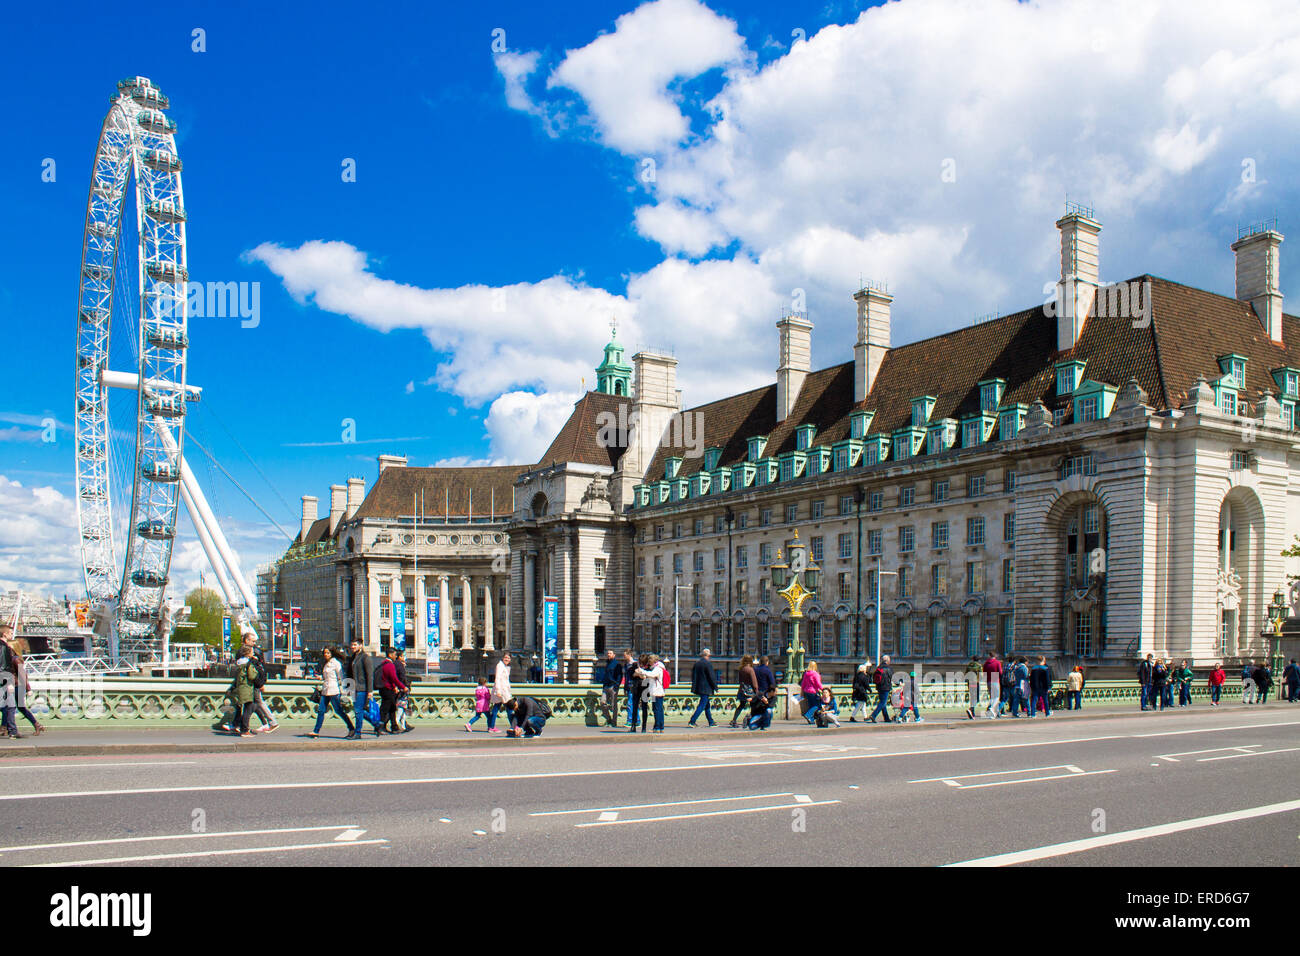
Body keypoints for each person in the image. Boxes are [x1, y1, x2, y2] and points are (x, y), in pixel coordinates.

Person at [308, 646, 355, 738]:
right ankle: (316, 731)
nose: (326, 655)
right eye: (325, 653)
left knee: (339, 711)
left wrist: (345, 690)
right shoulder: (326, 663)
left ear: (332, 653)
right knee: (321, 710)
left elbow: (341, 677)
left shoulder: (336, 664)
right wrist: (321, 678)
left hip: (334, 691)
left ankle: (351, 728)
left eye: (328, 653)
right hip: (325, 690)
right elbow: (327, 676)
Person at [7, 641, 45, 735]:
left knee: (16, 708)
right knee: (16, 708)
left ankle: (36, 725)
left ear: (14, 649)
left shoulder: (15, 659)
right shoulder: (9, 659)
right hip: (14, 686)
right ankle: (37, 725)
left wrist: (28, 689)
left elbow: (23, 675)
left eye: (9, 648)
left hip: (17, 687)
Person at [346, 638, 380, 739]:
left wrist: (370, 691)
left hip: (362, 688)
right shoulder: (353, 658)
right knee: (360, 711)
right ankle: (378, 724)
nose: (353, 647)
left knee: (358, 710)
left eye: (355, 645)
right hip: (354, 688)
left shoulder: (365, 658)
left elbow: (370, 675)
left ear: (360, 646)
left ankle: (358, 733)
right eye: (352, 645)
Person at [248, 644, 279, 734]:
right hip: (257, 684)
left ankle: (272, 722)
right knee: (255, 703)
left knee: (259, 702)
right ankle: (267, 723)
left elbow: (258, 673)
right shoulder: (258, 659)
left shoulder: (254, 661)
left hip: (255, 685)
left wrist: (260, 684)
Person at [377, 647, 408, 734]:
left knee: (392, 708)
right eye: (394, 654)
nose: (395, 656)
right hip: (387, 690)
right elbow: (394, 678)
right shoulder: (390, 665)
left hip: (385, 689)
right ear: (390, 655)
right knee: (385, 709)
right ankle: (380, 727)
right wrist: (403, 687)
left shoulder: (383, 664)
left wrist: (395, 687)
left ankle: (394, 727)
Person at [232, 648, 260, 737]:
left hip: (240, 687)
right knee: (248, 708)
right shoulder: (248, 664)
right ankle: (245, 730)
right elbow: (252, 676)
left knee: (241, 708)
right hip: (247, 688)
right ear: (248, 654)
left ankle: (238, 726)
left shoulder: (238, 663)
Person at [637, 653, 667, 733]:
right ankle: (660, 726)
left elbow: (652, 675)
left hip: (656, 691)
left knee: (656, 709)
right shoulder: (659, 667)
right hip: (657, 691)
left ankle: (657, 727)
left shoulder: (657, 668)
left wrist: (642, 671)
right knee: (659, 709)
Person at [689, 648, 718, 727]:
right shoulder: (707, 664)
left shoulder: (697, 663)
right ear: (708, 655)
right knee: (702, 705)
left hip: (699, 687)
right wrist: (715, 687)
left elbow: (693, 676)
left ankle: (711, 722)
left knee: (706, 705)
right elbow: (711, 676)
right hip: (706, 688)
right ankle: (692, 721)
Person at [487, 651, 515, 734]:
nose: (507, 659)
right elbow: (498, 678)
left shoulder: (505, 667)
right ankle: (513, 726)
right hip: (501, 691)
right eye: (505, 658)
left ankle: (491, 726)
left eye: (508, 658)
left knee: (496, 708)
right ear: (503, 658)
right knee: (509, 708)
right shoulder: (500, 666)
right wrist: (498, 690)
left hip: (505, 691)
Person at [0, 628, 20, 739]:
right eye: (11, 633)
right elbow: (4, 665)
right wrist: (9, 682)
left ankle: (10, 729)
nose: (12, 635)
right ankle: (13, 731)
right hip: (4, 677)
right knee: (11, 705)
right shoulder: (4, 647)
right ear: (5, 634)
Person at [729, 654, 756, 728]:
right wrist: (756, 691)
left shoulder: (741, 669)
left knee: (741, 705)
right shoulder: (750, 669)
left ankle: (734, 720)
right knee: (753, 706)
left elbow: (740, 681)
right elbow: (754, 682)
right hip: (750, 690)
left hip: (742, 689)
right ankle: (750, 720)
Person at [600, 649, 623, 726]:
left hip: (613, 686)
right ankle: (608, 719)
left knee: (614, 705)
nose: (608, 654)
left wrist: (616, 686)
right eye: (608, 653)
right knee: (603, 702)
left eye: (610, 653)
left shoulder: (617, 664)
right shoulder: (607, 663)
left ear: (614, 655)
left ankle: (614, 722)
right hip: (606, 686)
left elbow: (620, 676)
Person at [393, 648, 414, 732]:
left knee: (402, 708)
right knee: (401, 707)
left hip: (399, 688)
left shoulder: (395, 664)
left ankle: (403, 725)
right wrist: (405, 686)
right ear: (400, 656)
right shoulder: (399, 665)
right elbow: (402, 677)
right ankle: (397, 724)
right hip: (401, 689)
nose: (405, 657)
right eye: (403, 656)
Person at [623, 650, 643, 732]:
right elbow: (626, 677)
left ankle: (630, 720)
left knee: (630, 703)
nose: (624, 657)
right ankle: (637, 720)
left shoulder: (634, 664)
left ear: (629, 655)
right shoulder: (626, 665)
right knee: (633, 703)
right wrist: (625, 687)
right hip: (629, 685)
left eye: (625, 655)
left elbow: (638, 674)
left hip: (634, 686)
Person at [869, 656, 893, 723]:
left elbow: (874, 678)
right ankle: (873, 715)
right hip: (886, 687)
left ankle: (886, 718)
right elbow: (892, 677)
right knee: (883, 702)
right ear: (888, 661)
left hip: (879, 687)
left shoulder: (879, 667)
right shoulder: (889, 668)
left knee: (883, 702)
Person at [983, 652, 1003, 719]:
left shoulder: (986, 663)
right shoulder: (997, 663)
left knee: (992, 696)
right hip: (995, 679)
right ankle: (992, 708)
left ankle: (997, 713)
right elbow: (1000, 672)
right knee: (997, 697)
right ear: (995, 656)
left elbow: (984, 673)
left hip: (988, 680)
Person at [964, 655, 982, 719]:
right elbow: (981, 675)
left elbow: (965, 674)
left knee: (972, 697)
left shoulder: (969, 665)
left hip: (970, 683)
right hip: (975, 682)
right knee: (977, 698)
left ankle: (972, 713)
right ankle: (971, 709)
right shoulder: (979, 666)